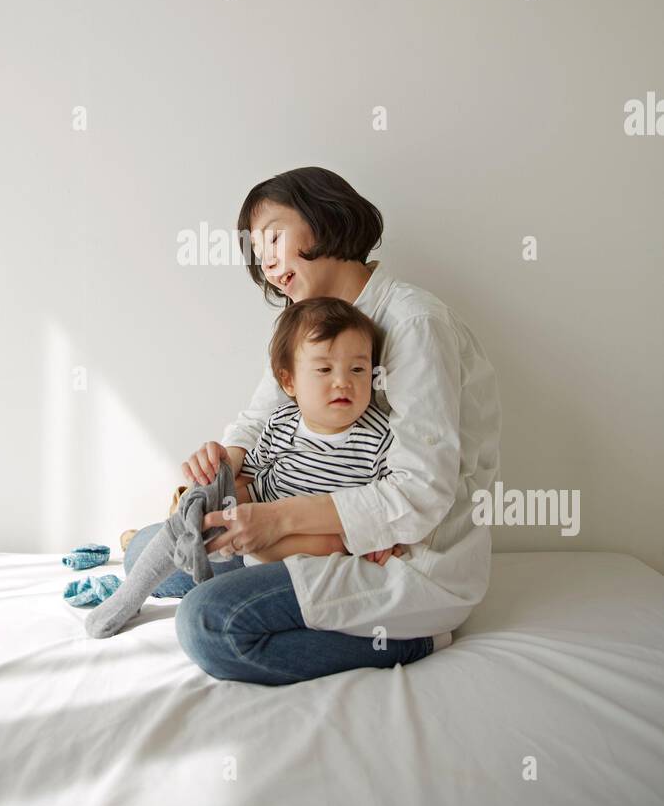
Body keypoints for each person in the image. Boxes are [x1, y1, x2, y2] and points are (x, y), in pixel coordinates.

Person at [129, 166, 501, 683]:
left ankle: (414, 639)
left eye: (275, 237)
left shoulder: (416, 323)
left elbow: (421, 493)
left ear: (325, 218)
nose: (269, 262)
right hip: (310, 533)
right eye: (259, 254)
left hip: (401, 562)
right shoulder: (310, 321)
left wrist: (277, 518)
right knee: (142, 554)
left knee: (206, 625)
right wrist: (217, 474)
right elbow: (256, 420)